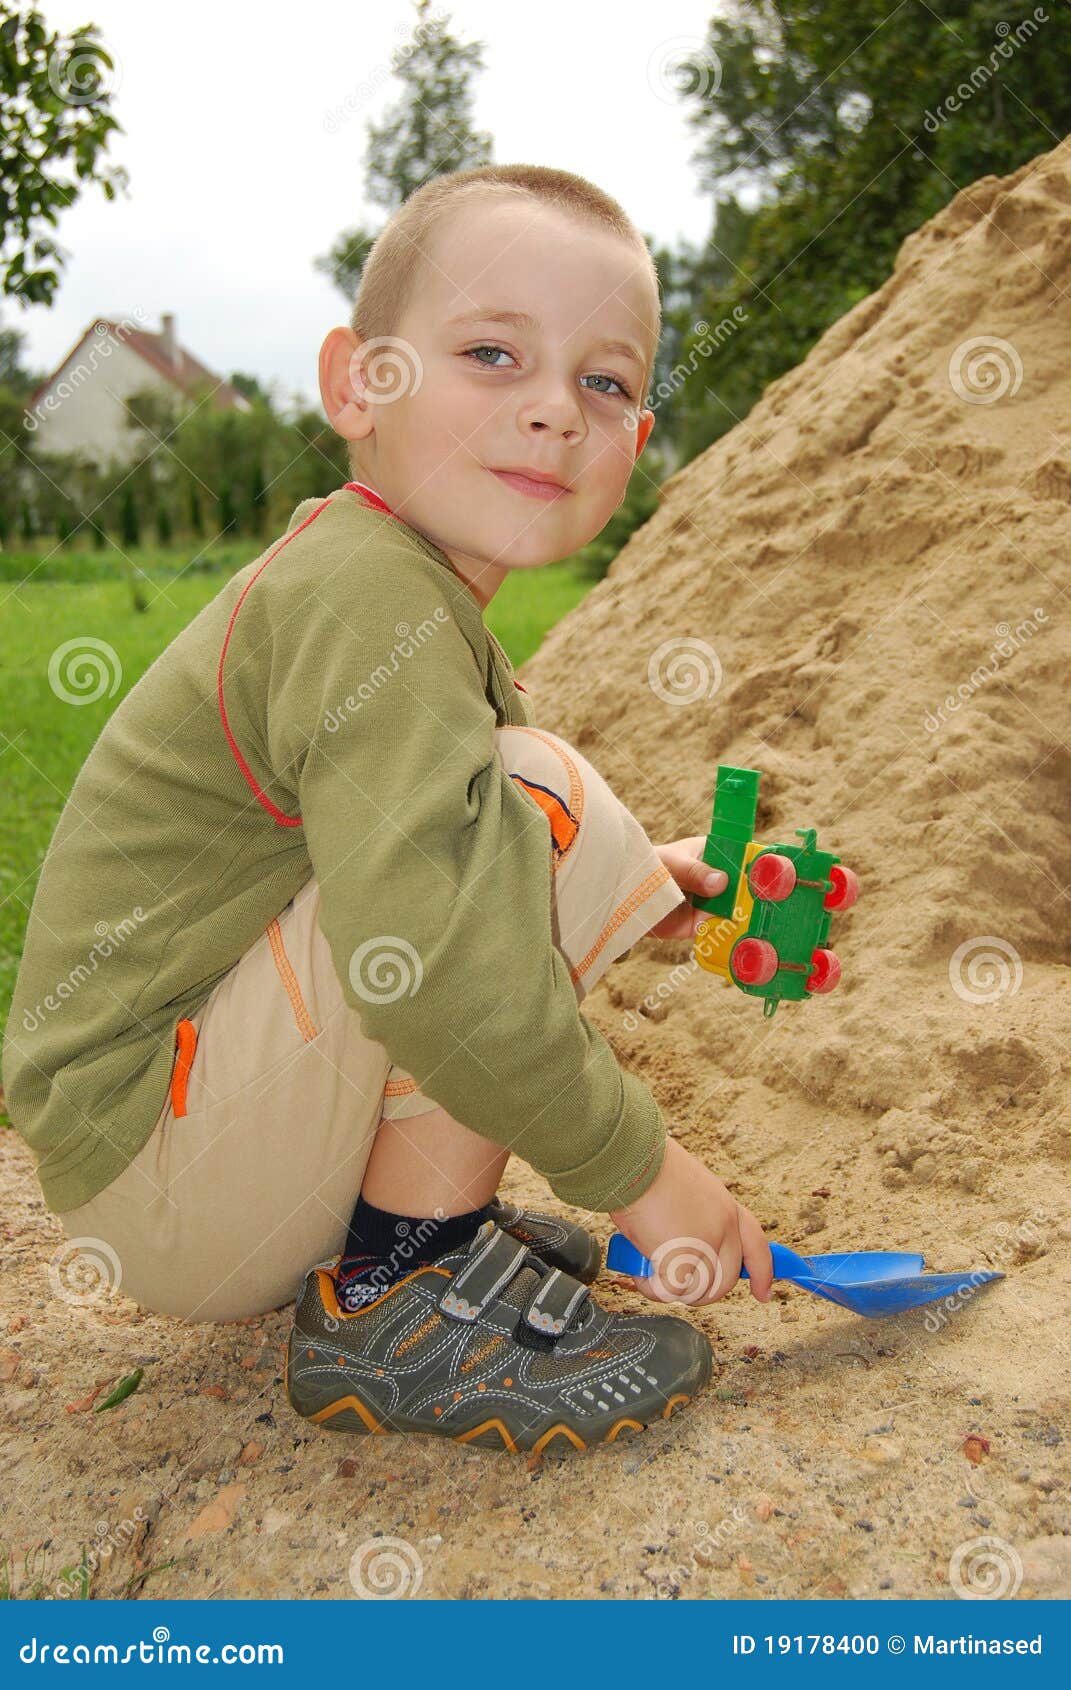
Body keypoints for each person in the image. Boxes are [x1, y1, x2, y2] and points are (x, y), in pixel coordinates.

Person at [3, 164, 772, 1457]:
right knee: (526, 801)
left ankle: (416, 1227)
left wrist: (647, 885)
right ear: (359, 384)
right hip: (161, 1166)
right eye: (492, 353)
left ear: (636, 445)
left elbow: (420, 859)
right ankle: (398, 1294)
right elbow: (437, 937)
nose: (554, 410)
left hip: (180, 1153)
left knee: (530, 804)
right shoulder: (365, 595)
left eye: (604, 383)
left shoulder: (395, 586)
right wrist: (649, 1179)